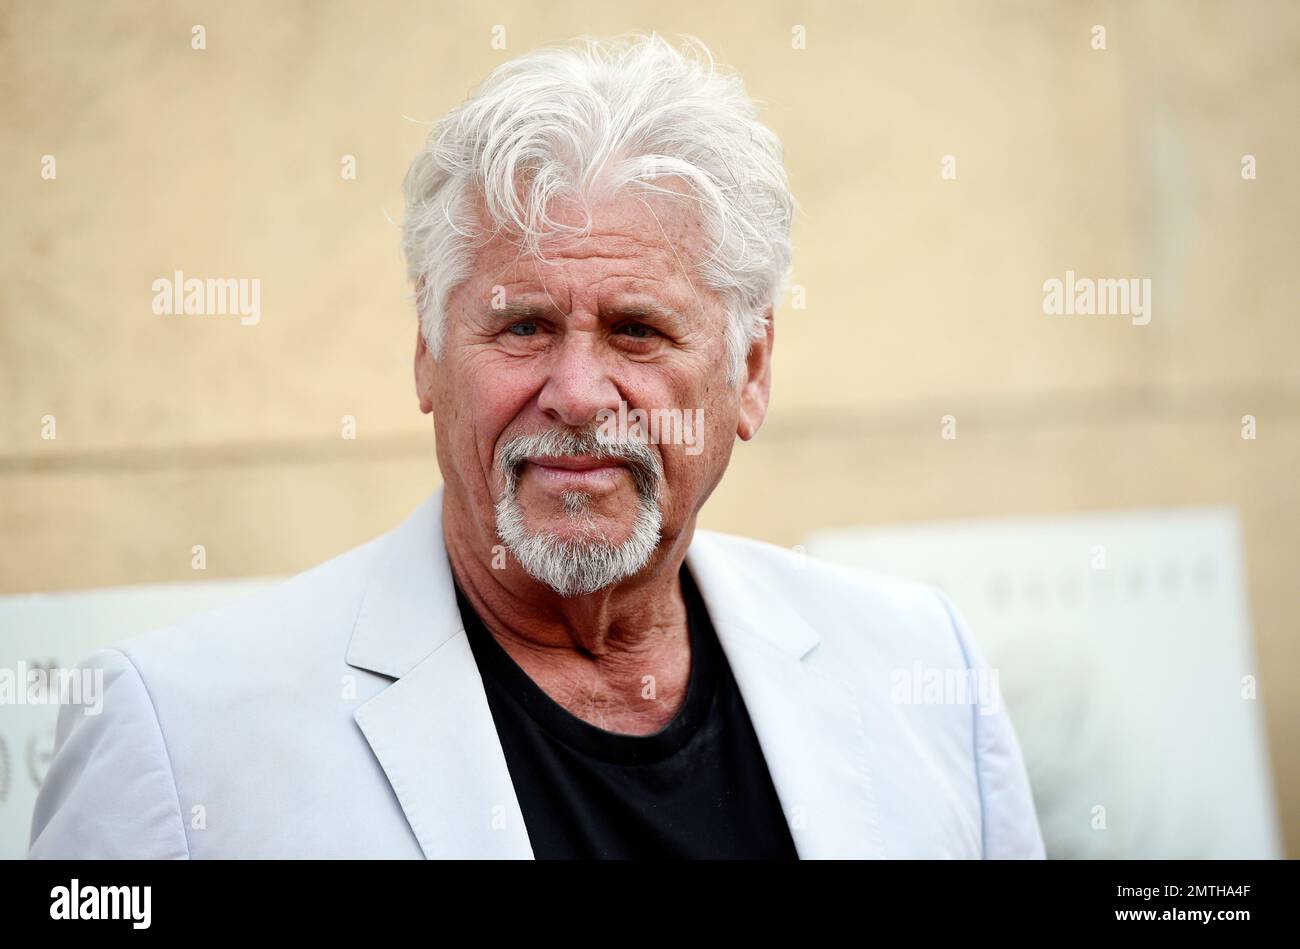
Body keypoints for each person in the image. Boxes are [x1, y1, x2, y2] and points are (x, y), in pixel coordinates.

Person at [29, 32, 1043, 859]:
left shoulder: (918, 668)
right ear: (428, 356)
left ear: (752, 372)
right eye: (521, 327)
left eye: (637, 329)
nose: (575, 394)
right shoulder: (178, 737)